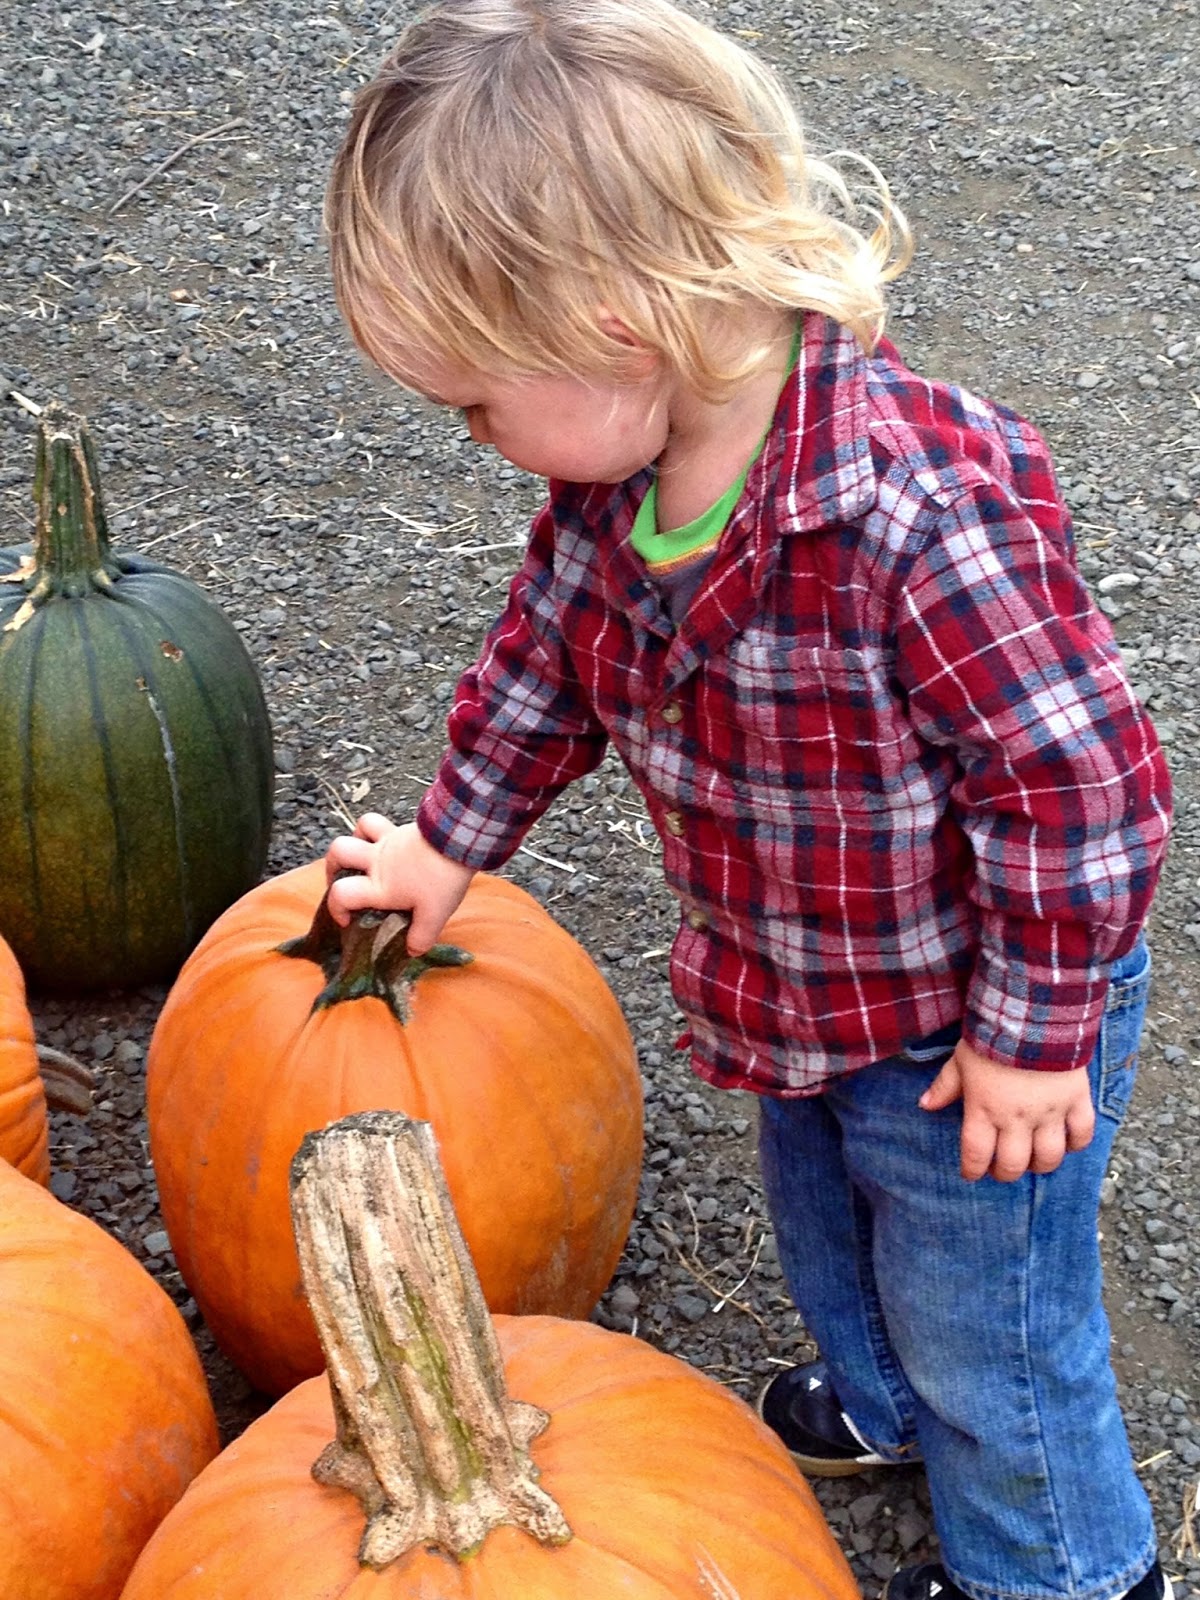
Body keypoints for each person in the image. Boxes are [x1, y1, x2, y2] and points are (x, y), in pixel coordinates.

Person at [321, 3, 1174, 1597]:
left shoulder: (910, 517)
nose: (480, 443)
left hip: (972, 1029)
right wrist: (447, 844)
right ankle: (882, 1398)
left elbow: (1086, 787)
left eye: (478, 404)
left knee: (992, 1321)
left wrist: (1035, 1031)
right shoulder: (609, 491)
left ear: (617, 323)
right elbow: (543, 670)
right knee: (829, 1233)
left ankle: (1061, 1567)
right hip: (801, 987)